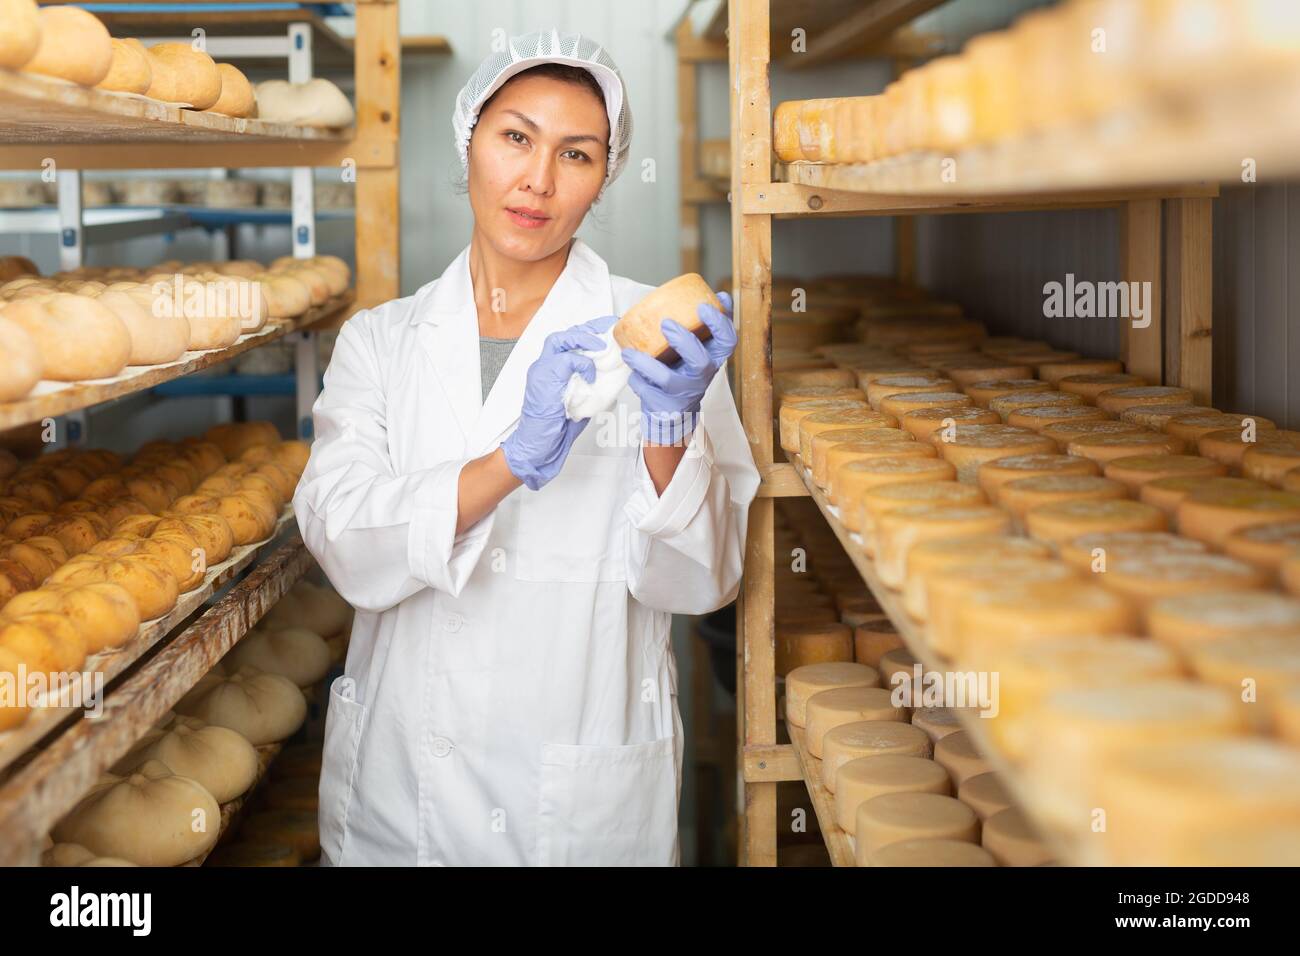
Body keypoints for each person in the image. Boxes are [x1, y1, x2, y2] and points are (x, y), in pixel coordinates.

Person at [293, 30, 760, 866]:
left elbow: (701, 582)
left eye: (576, 154)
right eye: (516, 137)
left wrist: (669, 431)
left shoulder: (660, 341)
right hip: (400, 800)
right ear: (469, 140)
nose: (538, 180)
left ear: (603, 178)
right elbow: (343, 543)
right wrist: (513, 460)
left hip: (574, 812)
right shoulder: (382, 341)